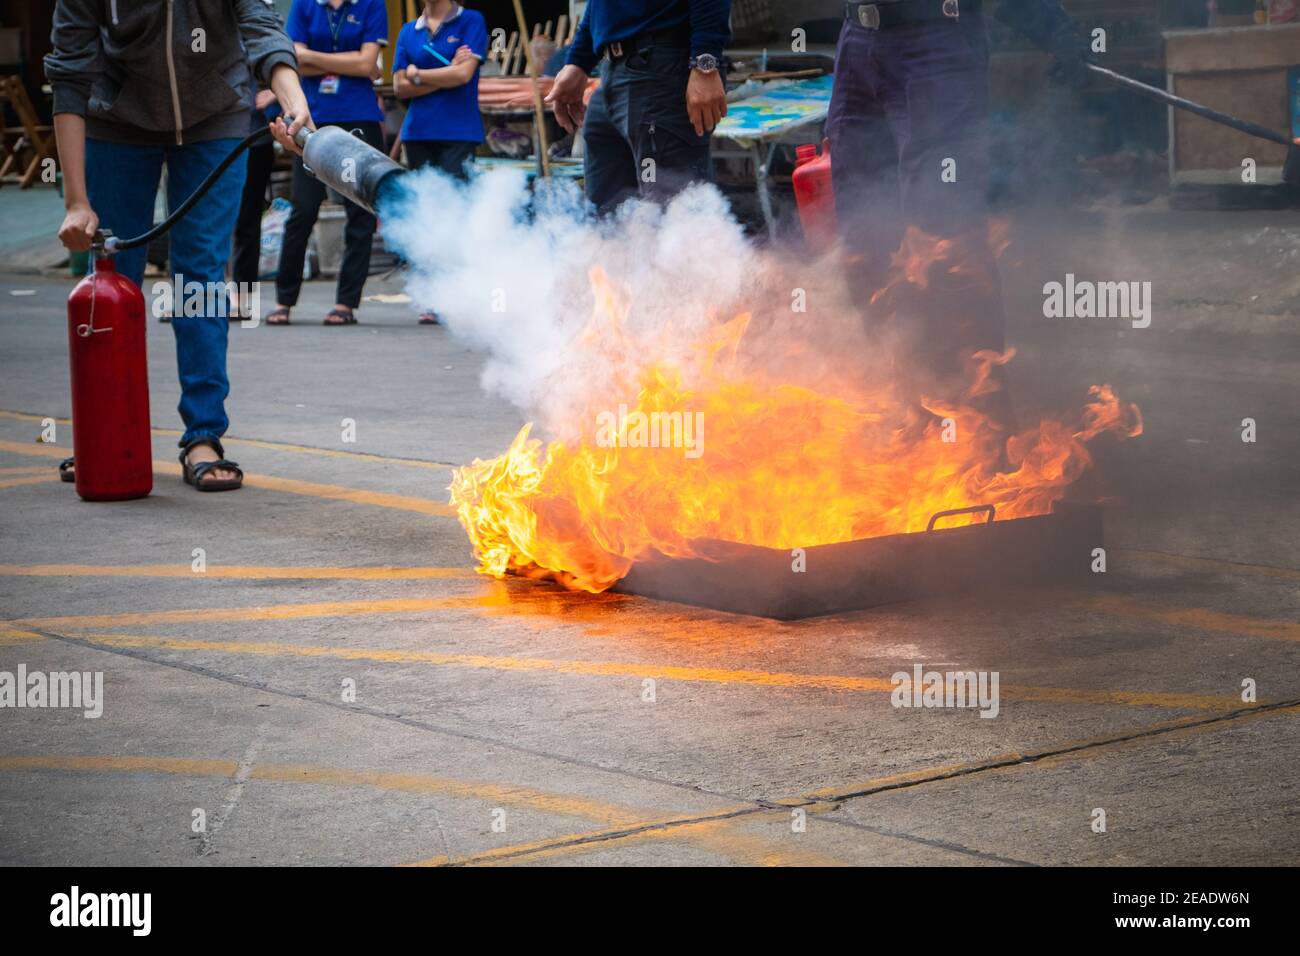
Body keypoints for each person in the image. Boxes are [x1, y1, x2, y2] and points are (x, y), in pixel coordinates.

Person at [47, 0, 312, 493]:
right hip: (117, 126)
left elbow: (261, 29)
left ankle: (204, 434)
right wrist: (76, 201)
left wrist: (293, 99)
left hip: (214, 121)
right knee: (110, 279)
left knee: (200, 276)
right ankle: (103, 436)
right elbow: (69, 75)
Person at [826, 0, 1088, 436]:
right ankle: (911, 410)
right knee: (865, 245)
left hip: (934, 43)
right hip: (857, 43)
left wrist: (1048, 23)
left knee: (947, 243)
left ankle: (982, 429)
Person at [545, 0, 732, 215]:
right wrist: (577, 62)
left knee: (676, 213)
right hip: (612, 70)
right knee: (607, 215)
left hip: (661, 66)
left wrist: (705, 63)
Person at [268, 0, 390, 326]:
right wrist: (346, 62)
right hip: (313, 118)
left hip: (359, 116)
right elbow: (293, 60)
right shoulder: (305, 5)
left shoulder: (371, 5)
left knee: (360, 215)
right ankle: (285, 299)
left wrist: (312, 58)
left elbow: (368, 64)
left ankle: (346, 303)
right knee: (303, 209)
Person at [392, 0, 487, 325]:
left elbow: (464, 75)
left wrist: (419, 74)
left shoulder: (471, 21)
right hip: (418, 132)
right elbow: (398, 86)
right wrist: (441, 74)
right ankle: (430, 297)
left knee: (456, 209)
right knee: (424, 212)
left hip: (459, 130)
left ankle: (459, 293)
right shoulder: (409, 31)